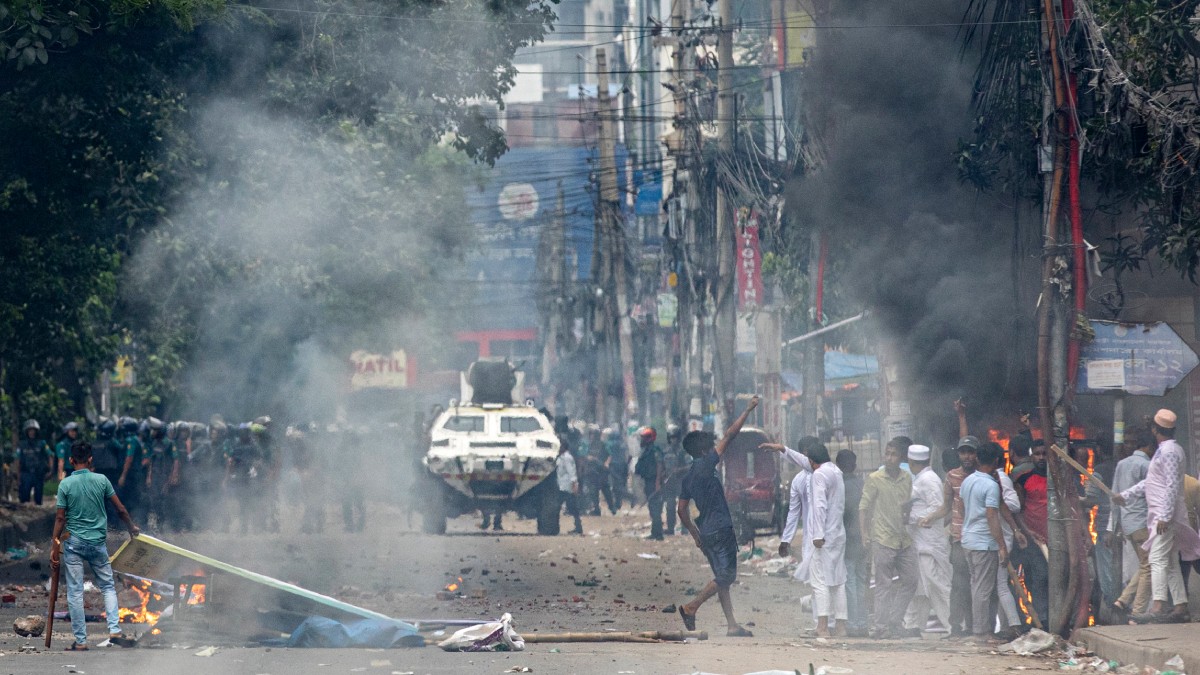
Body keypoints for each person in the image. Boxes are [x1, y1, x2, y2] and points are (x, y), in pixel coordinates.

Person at [677, 396, 759, 637]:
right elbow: (730, 435)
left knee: (721, 579)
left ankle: (732, 625)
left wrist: (694, 534)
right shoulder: (706, 464)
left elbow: (681, 510)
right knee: (726, 576)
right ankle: (691, 607)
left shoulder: (689, 476)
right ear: (704, 450)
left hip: (706, 531)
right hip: (720, 529)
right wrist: (748, 409)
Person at [51, 440, 140, 650]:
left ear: (71, 461)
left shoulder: (65, 484)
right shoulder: (102, 480)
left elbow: (60, 518)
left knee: (74, 592)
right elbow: (120, 510)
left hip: (73, 543)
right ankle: (114, 629)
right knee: (108, 586)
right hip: (97, 543)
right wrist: (131, 528)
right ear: (91, 460)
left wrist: (54, 542)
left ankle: (81, 641)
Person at [1114, 409, 1200, 623]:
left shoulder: (1169, 452)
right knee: (1169, 561)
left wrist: (1164, 515)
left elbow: (1172, 485)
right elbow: (1151, 483)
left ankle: (1158, 606)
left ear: (1155, 430)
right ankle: (1180, 606)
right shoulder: (1164, 451)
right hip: (1161, 515)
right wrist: (1125, 495)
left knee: (1157, 559)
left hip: (1164, 516)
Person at [860, 437, 918, 639]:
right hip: (883, 538)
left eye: (893, 454)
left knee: (911, 580)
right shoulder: (875, 478)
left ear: (901, 458)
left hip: (903, 538)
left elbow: (906, 504)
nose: (889, 458)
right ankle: (880, 627)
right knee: (883, 584)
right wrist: (865, 533)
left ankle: (894, 621)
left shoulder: (907, 478)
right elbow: (864, 507)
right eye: (887, 453)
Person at [959, 442, 1007, 644]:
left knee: (976, 586)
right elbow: (991, 516)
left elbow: (961, 508)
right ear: (996, 461)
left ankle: (979, 629)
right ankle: (981, 632)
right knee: (983, 589)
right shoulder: (990, 485)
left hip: (968, 540)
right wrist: (1001, 544)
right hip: (984, 544)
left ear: (978, 459)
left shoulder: (968, 481)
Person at [908, 444, 952, 637]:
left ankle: (952, 625)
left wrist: (913, 519)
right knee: (920, 585)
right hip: (920, 542)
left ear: (911, 462)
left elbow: (938, 507)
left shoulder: (928, 479)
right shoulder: (923, 478)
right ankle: (915, 626)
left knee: (936, 584)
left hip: (930, 543)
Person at [1112, 425, 1154, 617]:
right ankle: (1137, 612)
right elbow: (1152, 495)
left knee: (1146, 564)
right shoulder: (1147, 466)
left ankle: (1122, 600)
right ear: (1149, 447)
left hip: (1128, 523)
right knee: (1149, 566)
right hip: (1142, 522)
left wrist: (1116, 526)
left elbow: (1115, 495)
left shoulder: (1122, 464)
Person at [1012, 441, 1050, 629]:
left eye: (1044, 454)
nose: (1041, 458)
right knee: (1037, 578)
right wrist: (1029, 533)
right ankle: (1040, 620)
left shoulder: (1058, 479)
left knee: (1056, 579)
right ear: (1031, 456)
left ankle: (1054, 618)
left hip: (1057, 540)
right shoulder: (1023, 480)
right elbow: (1017, 511)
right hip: (1033, 541)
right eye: (1037, 454)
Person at [838, 449, 869, 637]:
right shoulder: (862, 484)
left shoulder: (839, 486)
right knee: (861, 581)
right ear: (855, 465)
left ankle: (853, 623)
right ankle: (863, 623)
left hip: (847, 540)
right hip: (862, 539)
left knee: (850, 583)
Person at [1082, 441, 1118, 607]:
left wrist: (1075, 499)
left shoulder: (1100, 471)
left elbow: (1091, 500)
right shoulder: (1120, 465)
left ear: (1098, 450)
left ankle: (1112, 602)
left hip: (1106, 524)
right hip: (1124, 523)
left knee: (1106, 566)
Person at [634, 427, 665, 540]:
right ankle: (655, 532)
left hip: (653, 482)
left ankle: (658, 534)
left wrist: (657, 483)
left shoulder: (654, 450)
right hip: (648, 481)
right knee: (652, 508)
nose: (642, 440)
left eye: (644, 438)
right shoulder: (646, 450)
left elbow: (659, 465)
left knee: (655, 507)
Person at [14, 419, 53, 505]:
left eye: (33, 430)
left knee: (38, 498)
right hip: (26, 473)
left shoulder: (42, 443)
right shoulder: (21, 445)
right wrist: (18, 475)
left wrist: (50, 470)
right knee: (24, 498)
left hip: (38, 473)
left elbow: (50, 455)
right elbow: (17, 460)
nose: (32, 432)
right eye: (30, 430)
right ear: (26, 431)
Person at [660, 424, 690, 535]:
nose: (673, 440)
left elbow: (690, 465)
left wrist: (680, 470)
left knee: (683, 507)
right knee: (670, 506)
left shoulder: (683, 451)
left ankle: (685, 528)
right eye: (671, 437)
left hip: (681, 481)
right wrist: (662, 475)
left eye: (675, 437)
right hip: (669, 482)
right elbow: (661, 466)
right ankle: (670, 528)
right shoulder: (665, 451)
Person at [556, 442, 583, 535]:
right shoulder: (561, 457)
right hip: (562, 485)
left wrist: (574, 484)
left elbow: (571, 472)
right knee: (570, 507)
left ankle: (578, 527)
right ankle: (578, 527)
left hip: (567, 486)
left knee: (572, 507)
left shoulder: (567, 457)